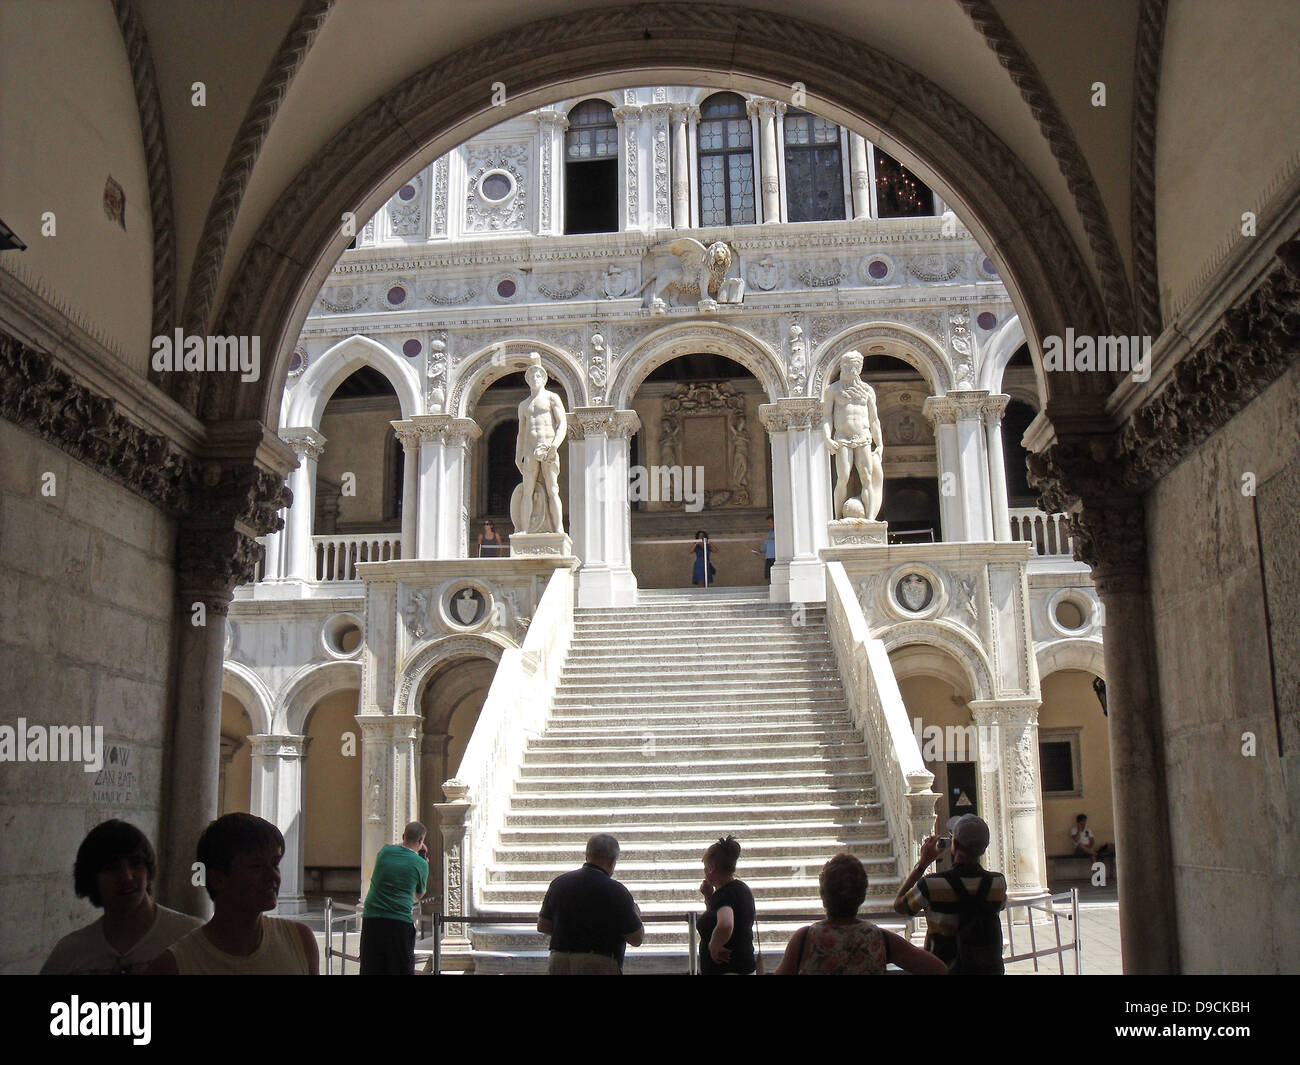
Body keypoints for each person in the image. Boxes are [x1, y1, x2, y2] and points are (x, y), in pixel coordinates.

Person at [148, 813, 318, 975]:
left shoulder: (301, 941)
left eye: (275, 864)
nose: (272, 876)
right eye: (256, 866)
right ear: (218, 879)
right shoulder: (173, 966)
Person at [41, 820, 201, 975]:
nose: (127, 877)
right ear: (91, 879)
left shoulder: (191, 937)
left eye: (135, 863)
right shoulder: (70, 951)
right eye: (112, 868)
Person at [776, 854, 946, 975]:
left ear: (823, 895)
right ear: (862, 895)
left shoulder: (804, 939)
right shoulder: (879, 939)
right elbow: (938, 969)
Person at [893, 814, 1007, 974]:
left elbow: (899, 906)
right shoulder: (998, 883)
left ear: (955, 844)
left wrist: (923, 864)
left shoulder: (931, 885)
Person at [537, 833, 643, 974]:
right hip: (598, 963)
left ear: (587, 856)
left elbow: (543, 925)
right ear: (612, 861)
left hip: (560, 961)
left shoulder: (559, 884)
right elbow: (636, 939)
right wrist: (636, 915)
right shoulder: (617, 891)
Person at [359, 821, 430, 975]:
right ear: (420, 841)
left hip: (372, 918)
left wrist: (407, 843)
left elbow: (398, 847)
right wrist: (422, 859)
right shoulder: (421, 863)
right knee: (399, 968)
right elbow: (419, 894)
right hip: (399, 921)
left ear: (403, 836)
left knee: (371, 967)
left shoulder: (385, 852)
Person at [822, 350, 884, 520]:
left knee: (867, 478)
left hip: (864, 437)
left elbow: (874, 419)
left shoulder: (867, 390)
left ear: (860, 368)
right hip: (842, 438)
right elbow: (826, 416)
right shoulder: (833, 390)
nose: (851, 370)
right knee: (843, 478)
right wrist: (827, 437)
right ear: (842, 366)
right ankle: (838, 518)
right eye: (848, 367)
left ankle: (870, 519)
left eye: (855, 367)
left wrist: (879, 444)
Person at [514, 352, 567, 533]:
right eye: (531, 376)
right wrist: (518, 455)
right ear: (527, 379)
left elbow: (562, 424)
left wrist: (554, 446)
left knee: (553, 489)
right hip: (529, 449)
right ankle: (525, 529)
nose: (535, 379)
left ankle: (559, 529)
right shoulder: (523, 405)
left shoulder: (552, 398)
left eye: (538, 375)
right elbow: (521, 433)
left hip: (547, 447)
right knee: (527, 490)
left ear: (544, 379)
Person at [697, 835, 756, 975]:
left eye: (705, 867)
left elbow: (725, 924)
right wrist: (708, 897)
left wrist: (713, 946)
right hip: (744, 966)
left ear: (712, 867)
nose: (704, 872)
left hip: (726, 969)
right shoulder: (741, 889)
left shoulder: (723, 895)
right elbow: (716, 917)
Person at [751, 515, 776, 582]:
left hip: (776, 558)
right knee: (769, 578)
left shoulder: (780, 533)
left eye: (770, 523)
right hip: (769, 558)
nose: (769, 525)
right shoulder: (769, 533)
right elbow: (766, 546)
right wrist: (759, 550)